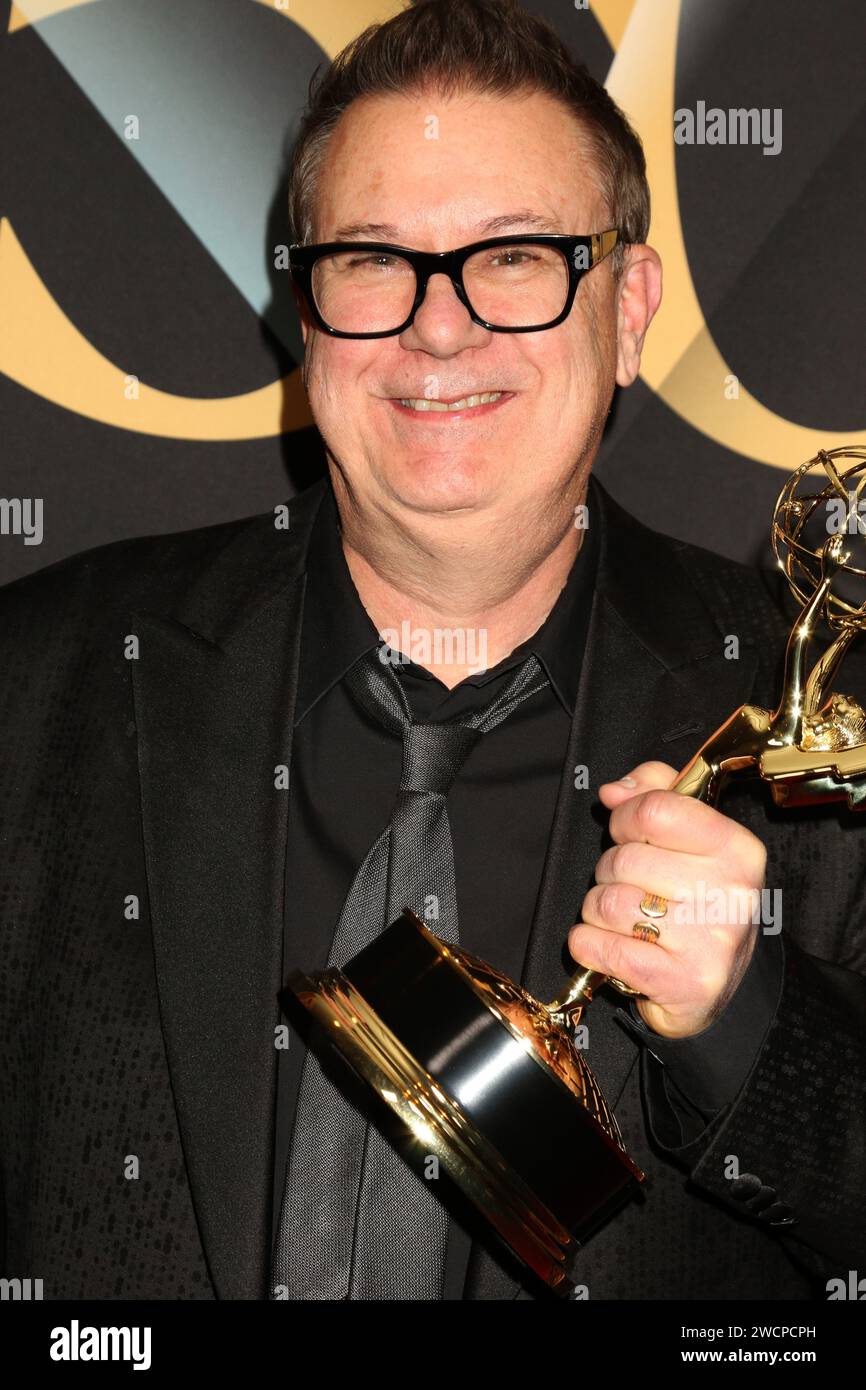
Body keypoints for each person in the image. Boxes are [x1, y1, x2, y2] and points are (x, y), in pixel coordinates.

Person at [1, 0, 863, 1301]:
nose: (438, 327)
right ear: (303, 316)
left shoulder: (815, 728)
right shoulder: (41, 681)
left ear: (626, 308)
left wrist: (745, 1017)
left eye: (514, 255)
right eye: (370, 259)